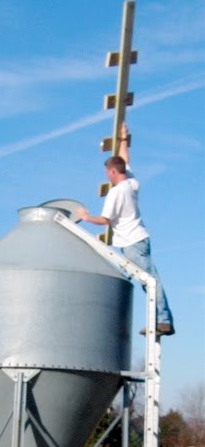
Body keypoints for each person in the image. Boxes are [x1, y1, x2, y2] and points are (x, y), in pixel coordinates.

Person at [77, 122, 175, 335]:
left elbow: (105, 220)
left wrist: (85, 217)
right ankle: (156, 321)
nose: (106, 175)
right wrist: (123, 139)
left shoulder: (116, 193)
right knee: (141, 281)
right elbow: (125, 160)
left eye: (107, 172)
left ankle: (163, 320)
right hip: (139, 239)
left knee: (150, 280)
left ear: (112, 171)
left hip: (131, 243)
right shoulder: (131, 183)